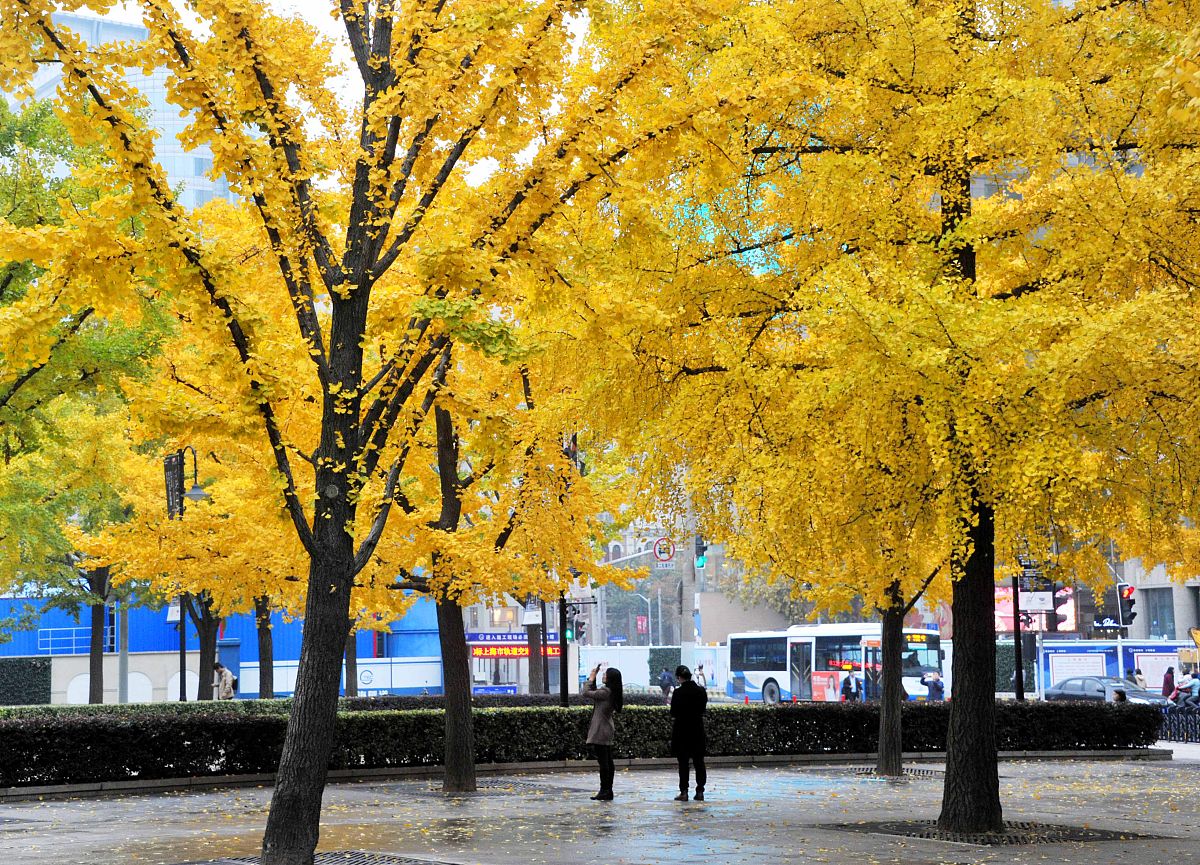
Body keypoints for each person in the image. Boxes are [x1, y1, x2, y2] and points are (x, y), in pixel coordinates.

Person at [581, 663, 623, 800]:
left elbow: (586, 692)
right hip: (606, 728)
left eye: (605, 674)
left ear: (610, 678)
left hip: (601, 729)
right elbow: (594, 694)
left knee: (604, 762)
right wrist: (594, 678)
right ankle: (607, 790)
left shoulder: (606, 692)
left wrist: (591, 678)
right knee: (608, 761)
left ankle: (605, 790)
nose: (603, 676)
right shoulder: (611, 692)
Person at [670, 665, 708, 802]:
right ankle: (700, 791)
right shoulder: (701, 691)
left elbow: (673, 712)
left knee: (683, 763)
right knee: (699, 762)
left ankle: (684, 792)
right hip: (697, 730)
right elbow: (703, 709)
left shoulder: (678, 693)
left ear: (679, 677)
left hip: (682, 732)